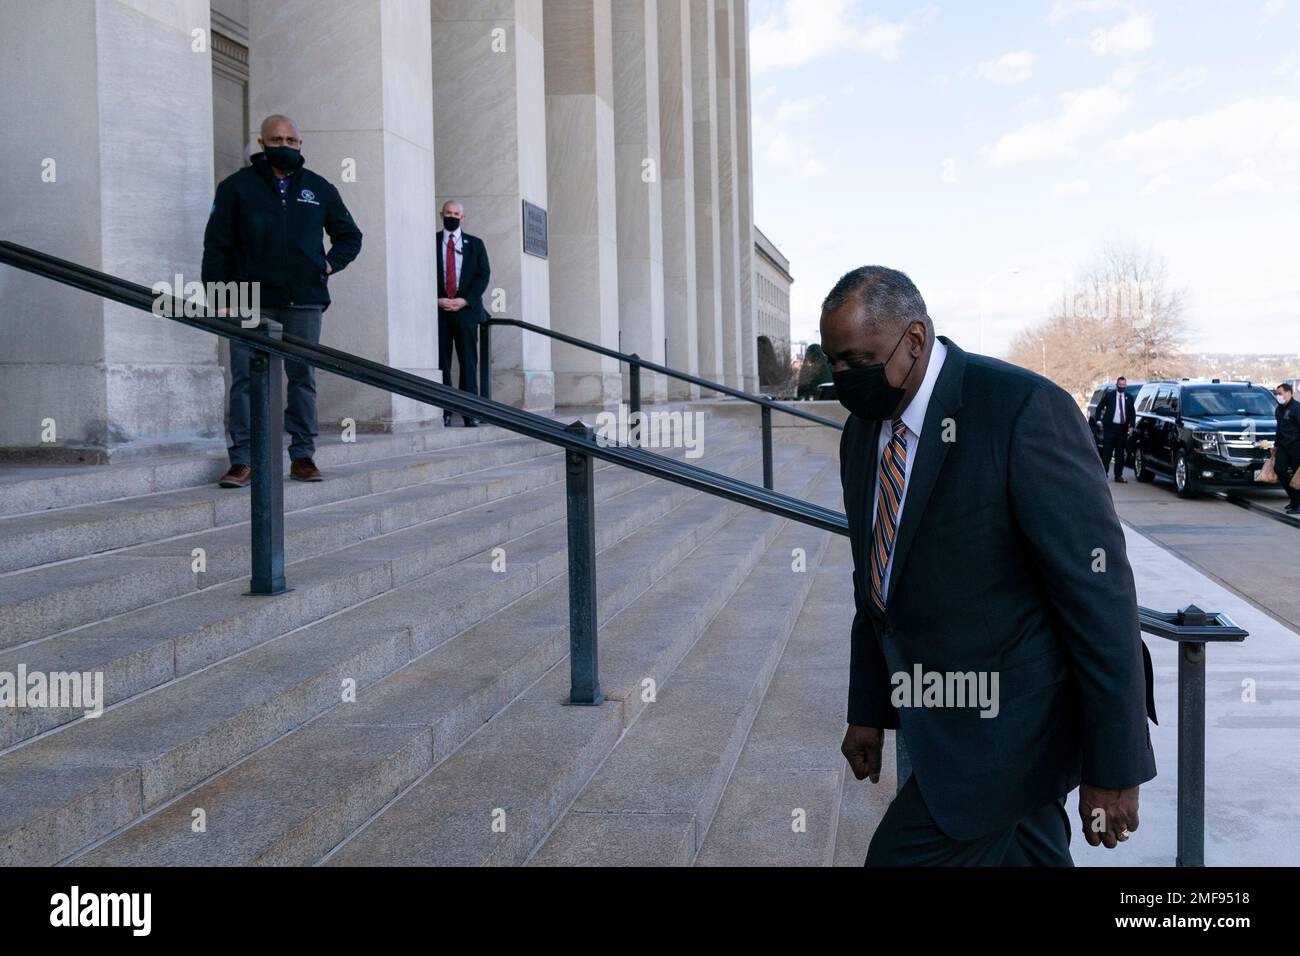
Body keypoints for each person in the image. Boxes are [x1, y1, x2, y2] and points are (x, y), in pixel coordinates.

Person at [822, 266, 1156, 866]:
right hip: (947, 722)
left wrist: (1116, 766)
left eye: (858, 360)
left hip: (1014, 729)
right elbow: (874, 584)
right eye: (834, 364)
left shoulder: (1022, 409)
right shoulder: (862, 434)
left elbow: (1099, 595)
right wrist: (868, 710)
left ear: (915, 339)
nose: (844, 379)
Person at [203, 114, 363, 487]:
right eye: (277, 141)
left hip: (304, 300)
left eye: (291, 141)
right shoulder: (236, 188)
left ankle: (303, 455)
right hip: (247, 299)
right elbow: (217, 246)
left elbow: (350, 236)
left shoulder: (319, 188)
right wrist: (219, 295)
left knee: (302, 378)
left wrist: (328, 264)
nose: (285, 147)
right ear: (262, 144)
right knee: (245, 381)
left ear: (300, 144)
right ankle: (243, 459)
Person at [436, 201, 491, 427]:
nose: (452, 216)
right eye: (448, 213)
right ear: (441, 215)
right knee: (442, 362)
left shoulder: (476, 244)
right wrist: (435, 299)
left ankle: (470, 411)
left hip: (466, 310)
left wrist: (465, 300)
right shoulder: (429, 241)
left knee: (468, 361)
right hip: (438, 311)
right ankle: (444, 410)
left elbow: (483, 275)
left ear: (463, 217)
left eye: (456, 214)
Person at [1093, 376, 1135, 483]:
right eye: (1120, 385)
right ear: (1116, 385)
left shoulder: (1129, 398)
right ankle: (1104, 474)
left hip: (1122, 429)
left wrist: (1131, 426)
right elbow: (1099, 408)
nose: (1122, 387)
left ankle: (1118, 476)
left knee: (1120, 455)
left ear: (1126, 386)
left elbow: (1132, 413)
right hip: (1110, 428)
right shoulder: (1110, 396)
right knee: (1107, 453)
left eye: (1123, 385)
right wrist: (1098, 420)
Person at [1275, 382, 1300, 514]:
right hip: (1283, 447)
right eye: (1276, 394)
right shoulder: (1279, 409)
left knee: (1297, 475)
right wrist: (1275, 446)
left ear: (1289, 393)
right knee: (1279, 470)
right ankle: (1293, 499)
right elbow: (1279, 429)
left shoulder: (1297, 408)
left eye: (1280, 393)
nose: (1278, 396)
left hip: (1296, 446)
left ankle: (1298, 503)